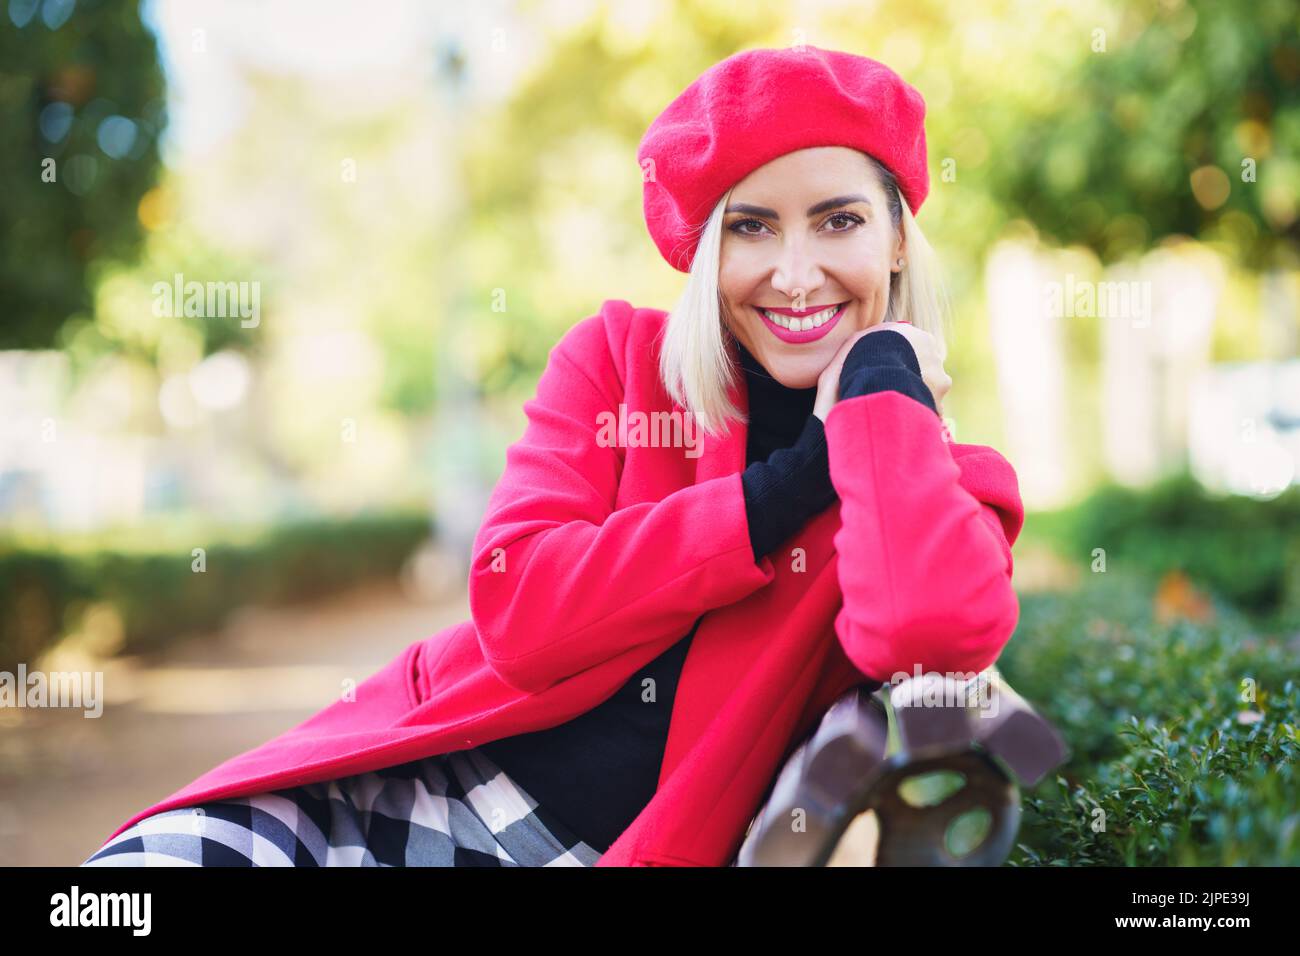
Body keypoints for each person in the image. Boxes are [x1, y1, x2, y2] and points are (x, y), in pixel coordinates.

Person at [82, 45, 1023, 868]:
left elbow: (926, 632)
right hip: (393, 797)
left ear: (899, 239)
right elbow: (520, 608)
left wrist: (880, 393)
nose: (794, 270)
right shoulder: (618, 365)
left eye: (839, 220)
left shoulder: (944, 478)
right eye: (752, 226)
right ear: (709, 253)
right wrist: (793, 480)